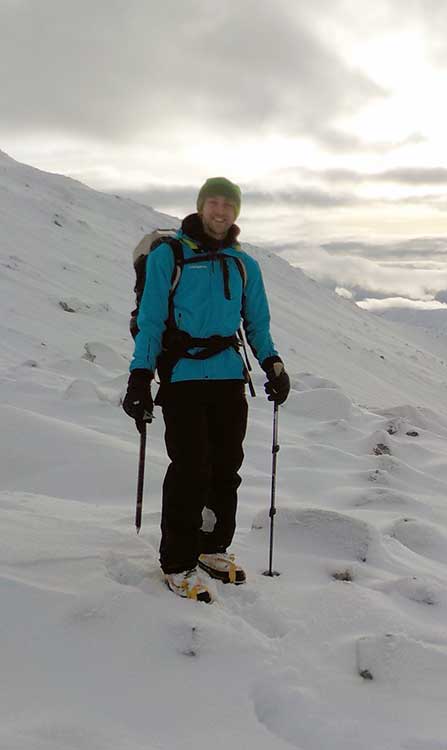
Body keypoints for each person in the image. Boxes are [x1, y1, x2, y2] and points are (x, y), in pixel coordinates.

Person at [122, 177, 290, 603]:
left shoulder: (244, 264)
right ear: (200, 206)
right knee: (190, 469)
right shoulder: (169, 254)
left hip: (229, 375)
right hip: (181, 376)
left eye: (228, 206)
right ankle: (177, 561)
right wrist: (140, 376)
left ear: (236, 213)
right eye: (213, 203)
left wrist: (273, 364)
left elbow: (257, 323)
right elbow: (152, 320)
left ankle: (212, 547)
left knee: (225, 468)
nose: (220, 212)